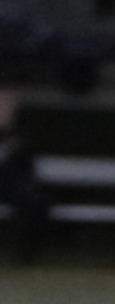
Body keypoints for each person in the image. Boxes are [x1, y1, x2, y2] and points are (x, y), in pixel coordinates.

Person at [0, 88, 49, 265]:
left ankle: (21, 255)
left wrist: (9, 132)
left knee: (35, 202)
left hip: (12, 185)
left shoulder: (21, 131)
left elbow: (28, 160)